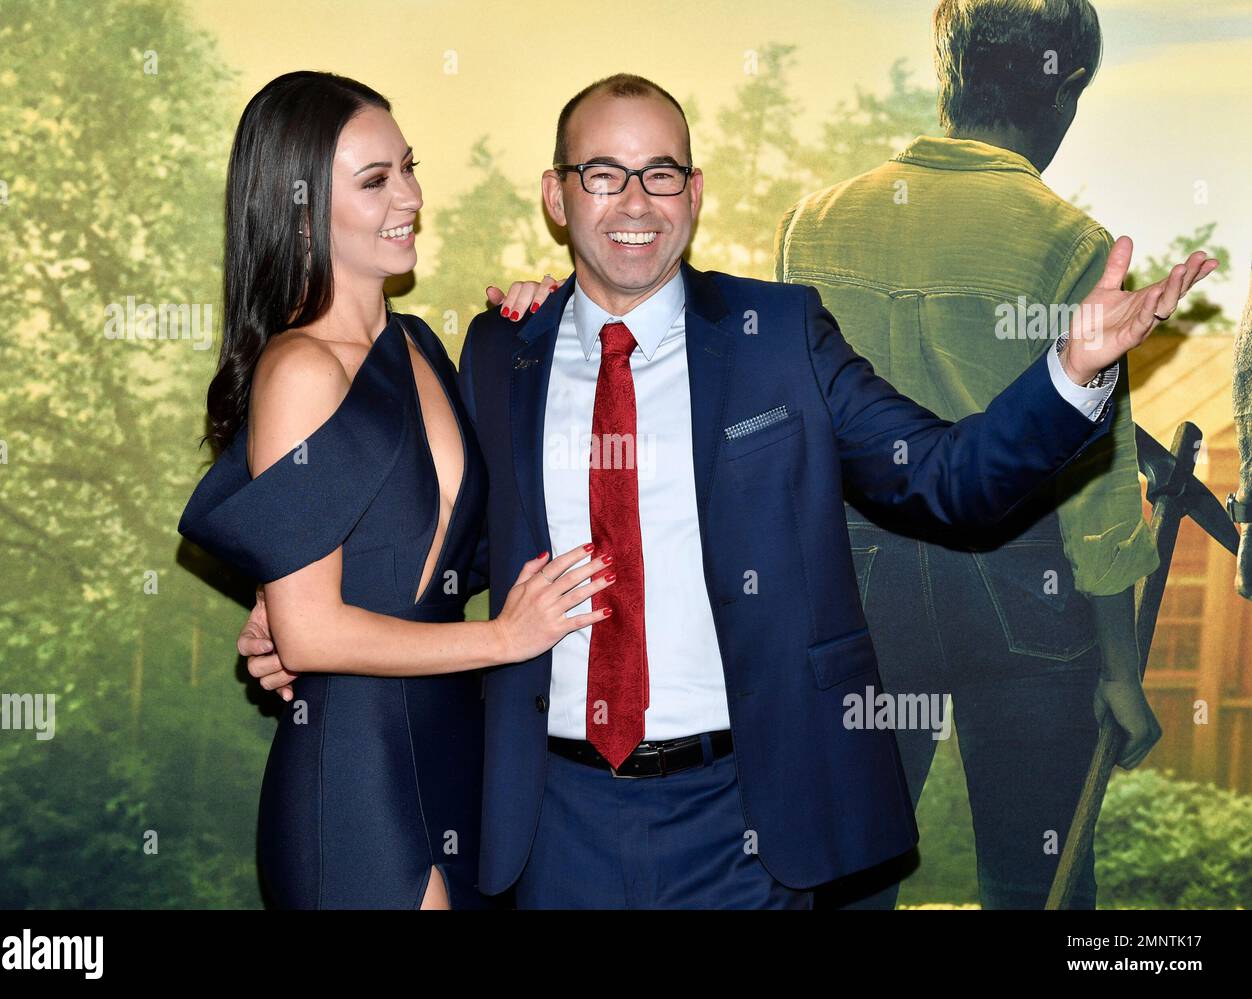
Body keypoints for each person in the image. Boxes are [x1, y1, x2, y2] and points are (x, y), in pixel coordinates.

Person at [241, 73, 1216, 909]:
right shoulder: (500, 350)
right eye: (603, 175)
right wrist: (299, 619)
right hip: (545, 824)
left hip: (746, 826)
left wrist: (1071, 371)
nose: (635, 202)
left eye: (660, 173)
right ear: (557, 196)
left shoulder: (783, 336)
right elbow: (445, 538)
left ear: (695, 193)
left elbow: (949, 483)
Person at [177, 71, 613, 910]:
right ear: (300, 208)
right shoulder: (302, 369)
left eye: (408, 167)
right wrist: (503, 639)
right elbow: (308, 635)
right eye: (375, 181)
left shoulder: (414, 342)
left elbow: (450, 552)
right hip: (357, 771)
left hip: (456, 749)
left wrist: (549, 321)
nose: (409, 195)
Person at [775, 0, 1161, 909]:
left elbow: (784, 440)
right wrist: (1119, 670)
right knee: (1039, 888)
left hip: (859, 587)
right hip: (1023, 593)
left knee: (846, 877)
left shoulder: (813, 225)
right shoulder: (1071, 246)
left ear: (949, 77)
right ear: (1063, 91)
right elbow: (1098, 490)